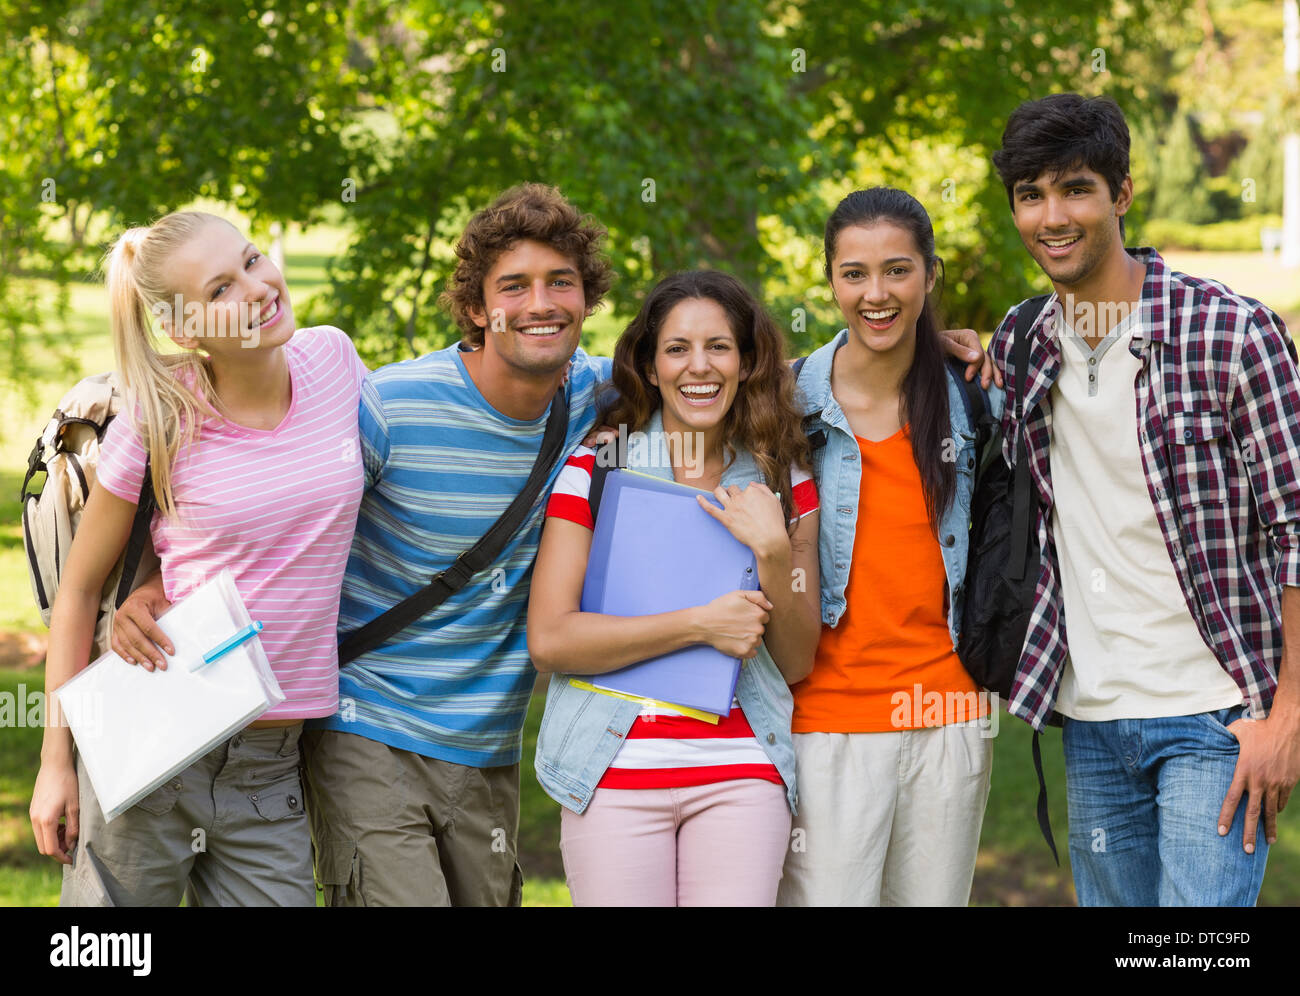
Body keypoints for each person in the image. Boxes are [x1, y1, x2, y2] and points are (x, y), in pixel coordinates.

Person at [114, 186, 999, 907]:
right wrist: (156, 578)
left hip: (492, 747)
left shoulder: (605, 408)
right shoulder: (398, 405)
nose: (540, 305)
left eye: (562, 283)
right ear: (475, 306)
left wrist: (926, 346)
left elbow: (739, 383)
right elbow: (271, 482)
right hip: (371, 727)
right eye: (515, 287)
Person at [989, 93, 1300, 906]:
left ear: (1122, 194)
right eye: (1030, 195)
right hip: (1091, 719)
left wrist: (1288, 715)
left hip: (1217, 715)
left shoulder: (1232, 335)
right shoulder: (1022, 342)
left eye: (1074, 189)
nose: (1052, 216)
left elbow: (1296, 528)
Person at [29, 210, 368, 906]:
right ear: (184, 331)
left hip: (270, 766)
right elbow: (77, 591)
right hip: (154, 736)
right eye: (219, 290)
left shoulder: (334, 359)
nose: (256, 287)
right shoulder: (160, 420)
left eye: (251, 260)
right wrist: (55, 764)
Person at [528, 270, 821, 906]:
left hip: (742, 773)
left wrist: (772, 550)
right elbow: (551, 640)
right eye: (678, 348)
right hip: (612, 768)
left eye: (719, 346)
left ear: (746, 363)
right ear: (651, 366)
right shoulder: (598, 468)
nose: (700, 367)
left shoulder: (783, 476)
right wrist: (700, 624)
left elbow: (797, 661)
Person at [779, 187, 1000, 907]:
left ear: (930, 277)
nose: (876, 293)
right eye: (855, 273)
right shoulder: (784, 408)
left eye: (898, 270)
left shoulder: (975, 400)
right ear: (832, 280)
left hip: (950, 722)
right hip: (826, 726)